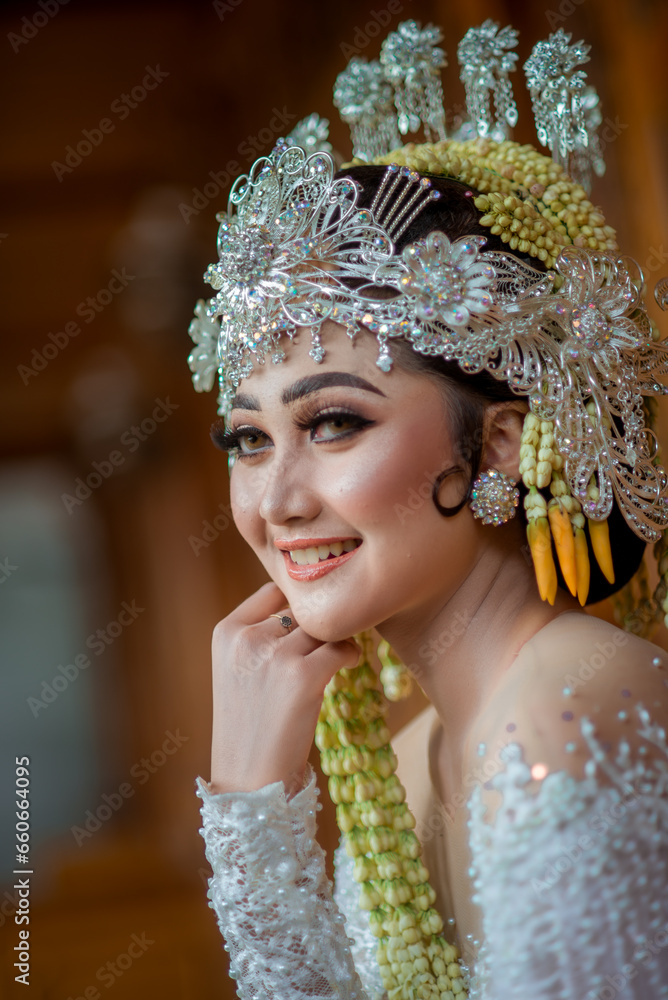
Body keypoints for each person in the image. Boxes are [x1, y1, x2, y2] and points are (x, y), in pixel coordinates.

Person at [189, 20, 668, 1000]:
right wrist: (250, 808)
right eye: (247, 438)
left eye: (333, 423)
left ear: (498, 443)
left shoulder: (567, 725)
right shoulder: (420, 756)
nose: (276, 502)